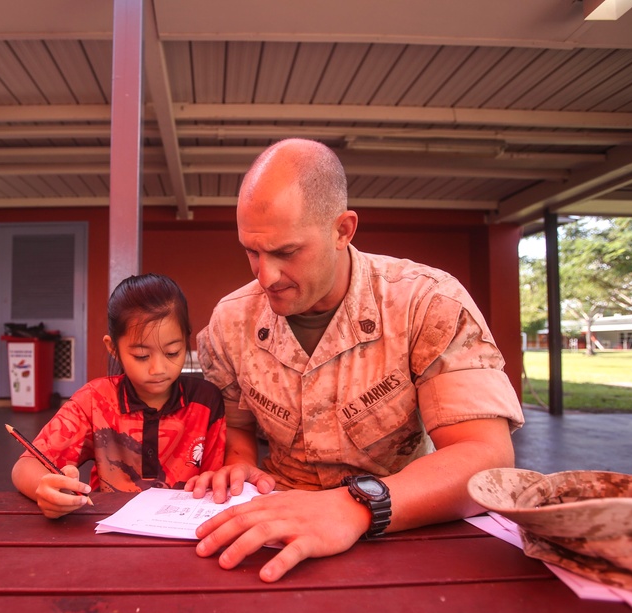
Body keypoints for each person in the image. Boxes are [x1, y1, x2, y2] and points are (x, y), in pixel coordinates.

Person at [185, 138, 525, 582]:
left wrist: (356, 507)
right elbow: (238, 426)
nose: (266, 276)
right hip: (274, 526)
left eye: (286, 253)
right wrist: (240, 461)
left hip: (406, 524)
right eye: (252, 251)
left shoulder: (426, 303)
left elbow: (485, 457)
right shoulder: (231, 320)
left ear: (343, 230)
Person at [12, 273, 227, 519]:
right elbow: (25, 466)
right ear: (113, 348)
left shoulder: (205, 402)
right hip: (106, 525)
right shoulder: (94, 401)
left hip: (184, 526)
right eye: (141, 356)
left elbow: (217, 480)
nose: (158, 369)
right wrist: (46, 489)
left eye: (172, 352)